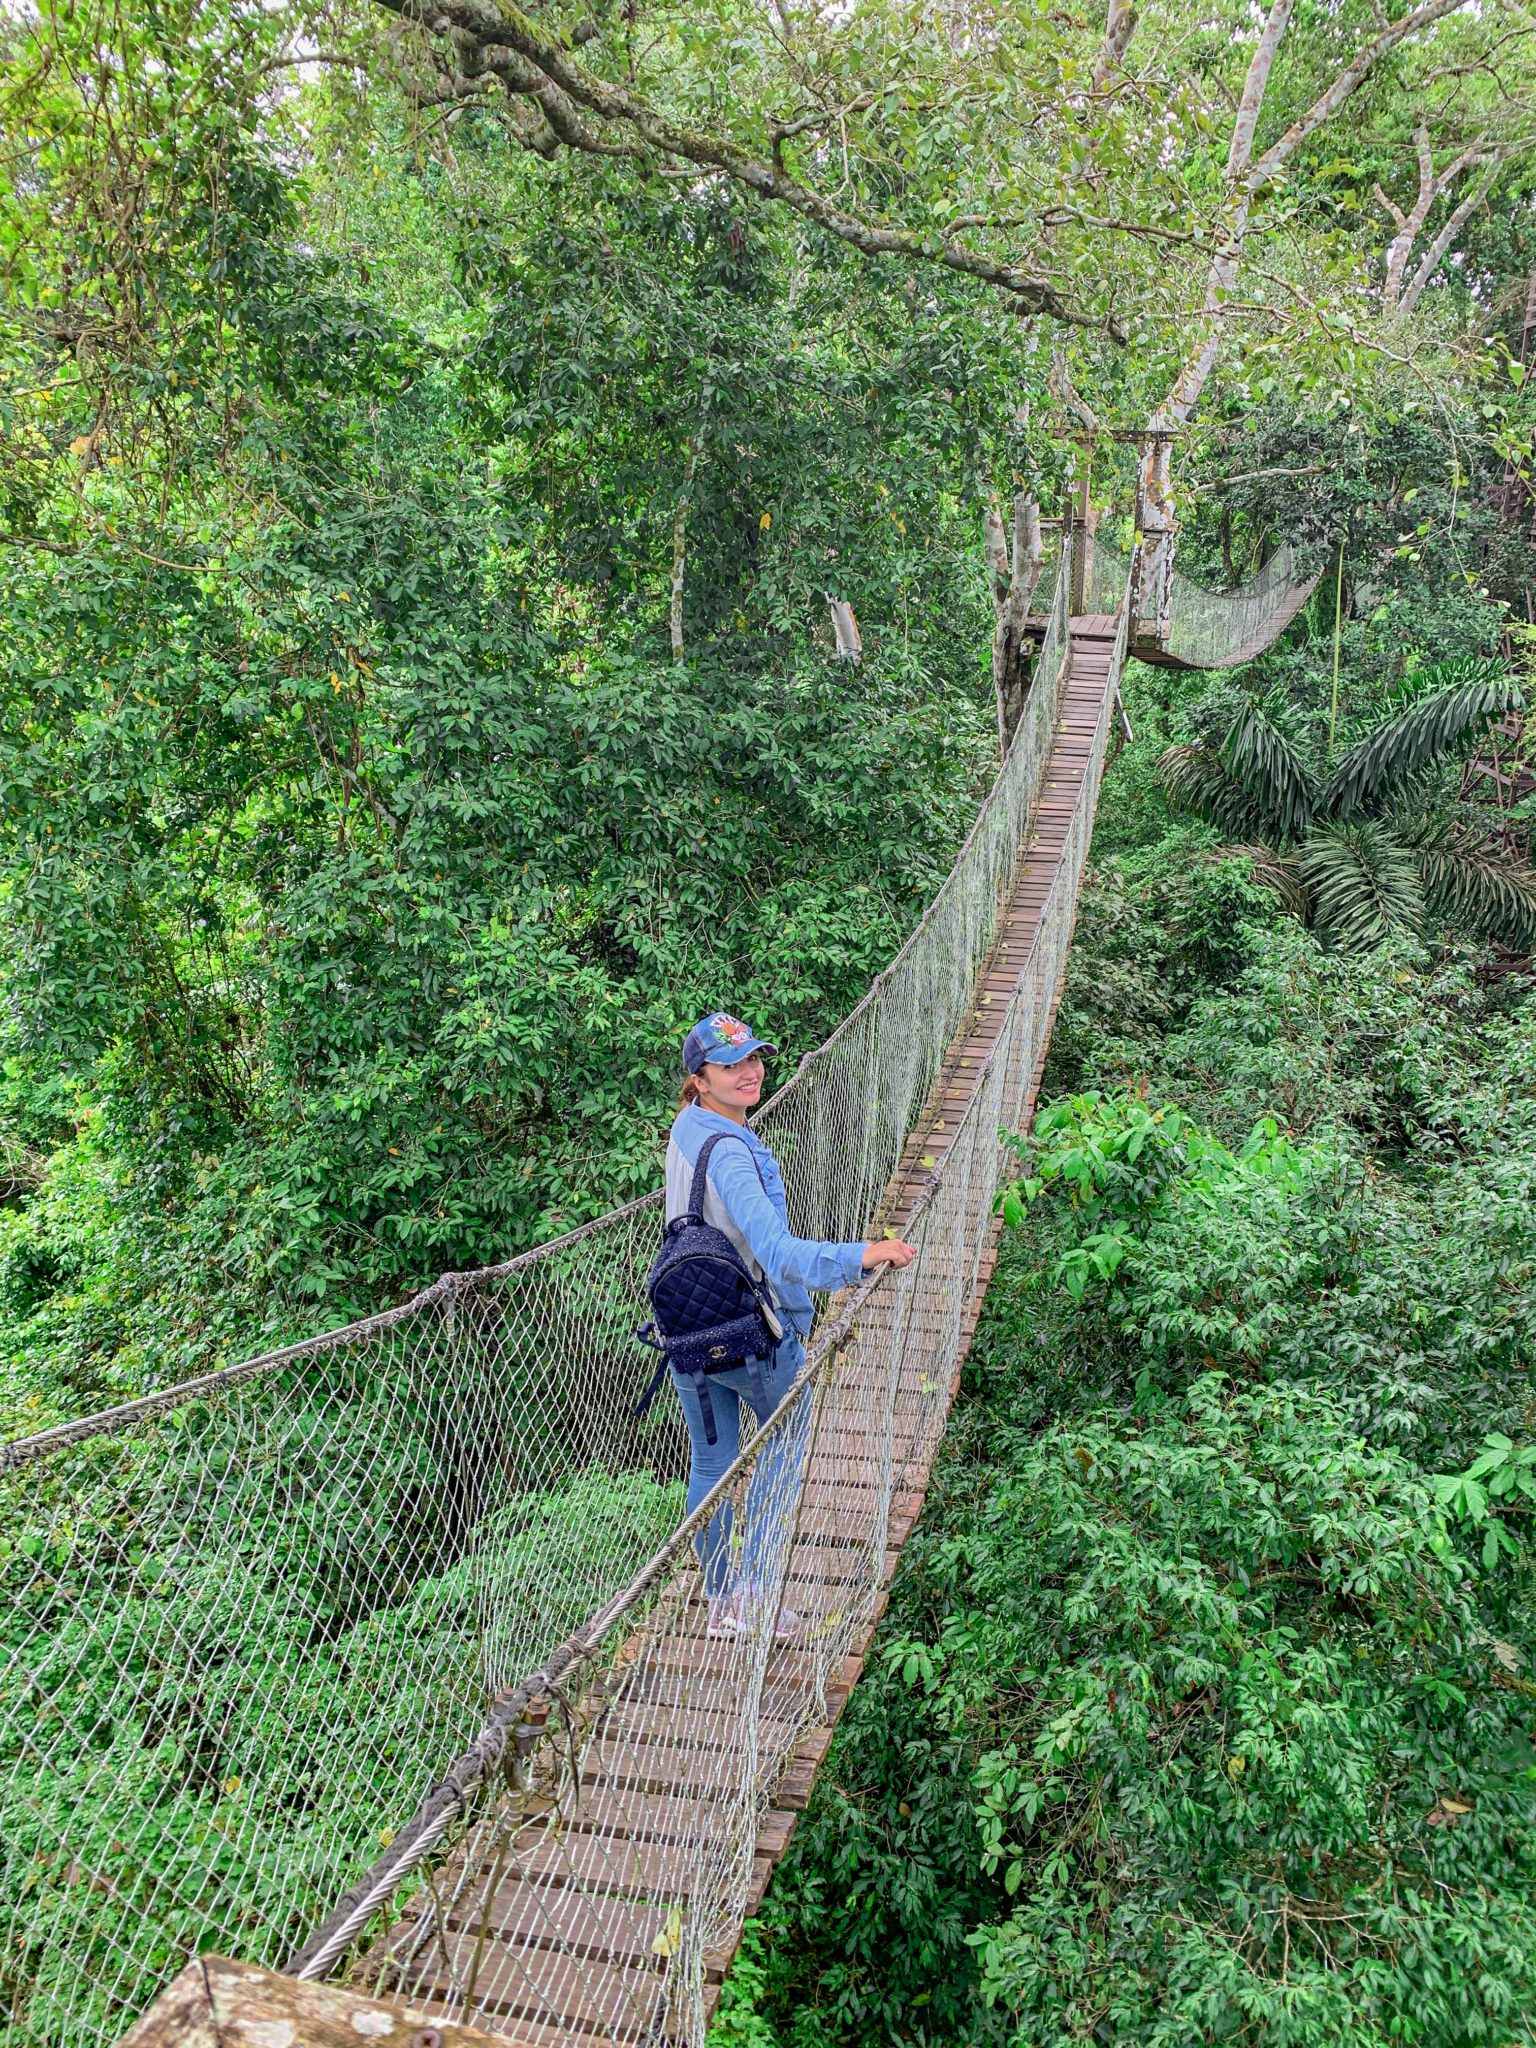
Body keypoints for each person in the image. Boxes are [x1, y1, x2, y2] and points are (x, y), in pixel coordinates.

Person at [665, 1010, 917, 1641]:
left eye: (753, 1058)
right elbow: (778, 1255)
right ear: (700, 1078)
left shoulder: (687, 1127)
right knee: (782, 1447)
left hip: (686, 1328)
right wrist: (861, 1256)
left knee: (712, 1462)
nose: (749, 1072)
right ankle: (755, 1597)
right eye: (731, 1065)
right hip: (751, 1335)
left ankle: (721, 1601)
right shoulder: (732, 1155)